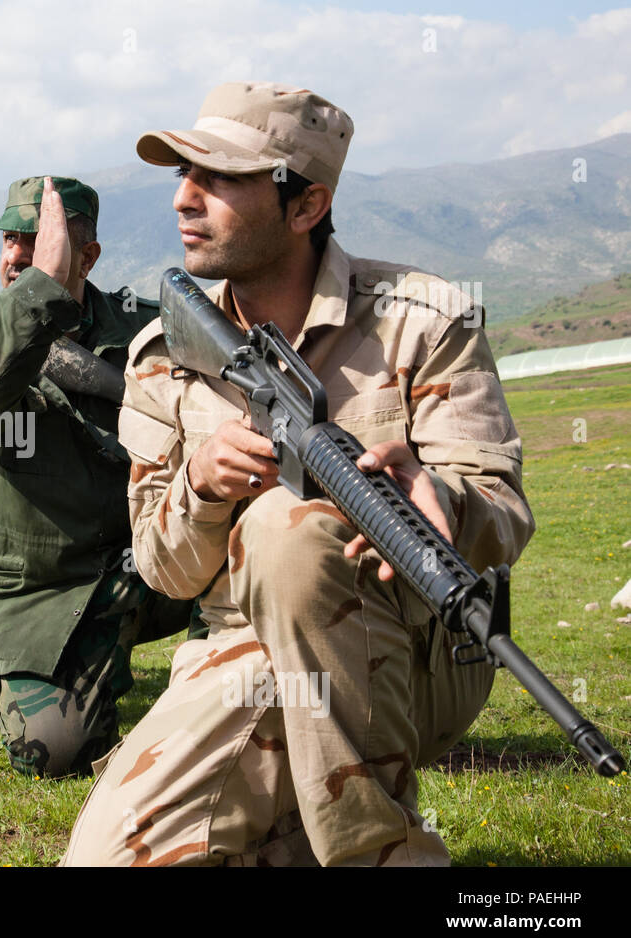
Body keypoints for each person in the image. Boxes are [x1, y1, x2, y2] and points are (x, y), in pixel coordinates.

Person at [62, 82, 535, 866]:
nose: (184, 199)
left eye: (217, 179)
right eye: (183, 175)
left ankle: (382, 851)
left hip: (418, 651)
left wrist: (439, 498)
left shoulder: (425, 321)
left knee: (287, 528)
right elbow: (166, 572)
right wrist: (203, 489)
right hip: (239, 653)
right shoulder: (165, 358)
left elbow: (503, 516)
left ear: (306, 206)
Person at [0, 177, 192, 778]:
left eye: (40, 240)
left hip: (148, 567)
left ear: (90, 255)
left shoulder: (143, 330)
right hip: (39, 593)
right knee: (50, 752)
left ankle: (216, 675)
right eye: (12, 241)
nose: (19, 256)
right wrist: (42, 287)